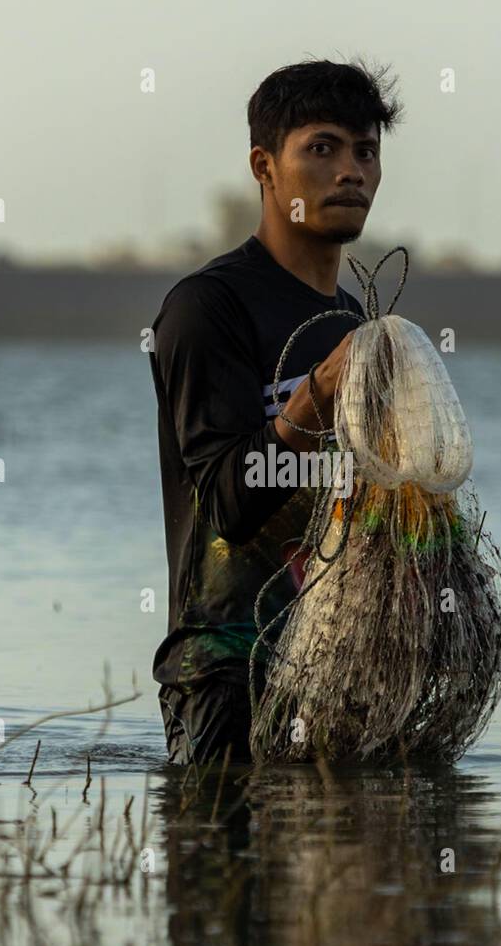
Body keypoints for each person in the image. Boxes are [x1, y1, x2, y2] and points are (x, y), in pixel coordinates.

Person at [149, 57, 404, 765]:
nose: (349, 171)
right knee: (223, 872)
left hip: (329, 667)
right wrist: (316, 395)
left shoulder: (350, 319)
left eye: (365, 152)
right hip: (224, 669)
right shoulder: (208, 307)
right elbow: (229, 504)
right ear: (264, 167)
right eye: (321, 148)